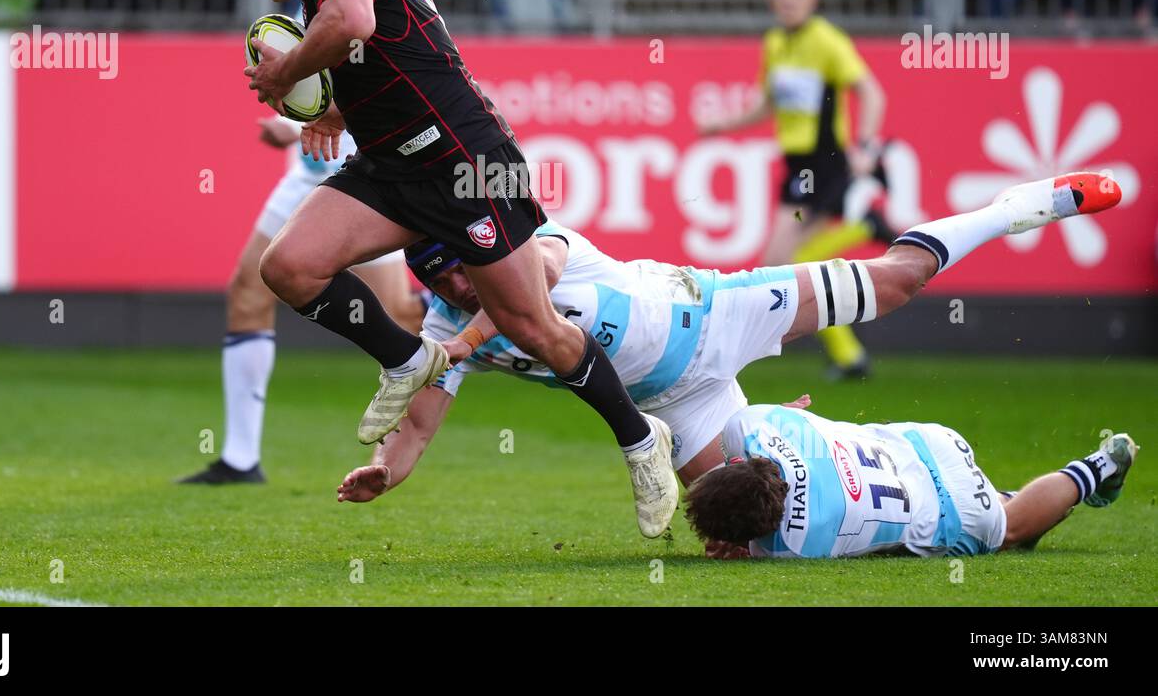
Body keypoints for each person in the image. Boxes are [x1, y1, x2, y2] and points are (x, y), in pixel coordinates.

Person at [228, 0, 679, 537]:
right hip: (394, 167)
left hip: (469, 165)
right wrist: (327, 107)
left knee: (533, 328)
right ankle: (409, 360)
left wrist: (286, 73)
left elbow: (355, 20)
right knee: (287, 266)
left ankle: (643, 443)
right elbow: (386, 54)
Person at [334, 172, 1123, 513]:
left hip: (716, 312)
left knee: (895, 283)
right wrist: (386, 471)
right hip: (680, 401)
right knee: (749, 514)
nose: (462, 290)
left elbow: (525, 295)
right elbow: (421, 422)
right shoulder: (445, 323)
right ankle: (1009, 496)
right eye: (444, 286)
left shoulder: (532, 246)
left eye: (465, 273)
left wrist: (462, 339)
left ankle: (1023, 205)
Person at [180, 0, 422, 485]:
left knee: (401, 313)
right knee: (249, 289)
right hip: (307, 178)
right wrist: (293, 120)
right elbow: (313, 97)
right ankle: (240, 456)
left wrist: (300, 112)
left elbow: (367, 82)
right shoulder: (293, 6)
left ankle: (435, 395)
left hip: (367, 172)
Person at [697, 0, 892, 380]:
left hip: (825, 161)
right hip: (795, 163)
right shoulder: (775, 43)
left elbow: (872, 93)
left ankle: (865, 228)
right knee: (801, 266)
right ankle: (850, 357)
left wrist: (865, 147)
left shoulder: (826, 40)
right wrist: (723, 125)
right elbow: (769, 104)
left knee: (780, 263)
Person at [685, 406, 1137, 560]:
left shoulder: (789, 546)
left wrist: (742, 544)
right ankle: (1025, 494)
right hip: (925, 440)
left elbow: (760, 541)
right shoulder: (751, 422)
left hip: (947, 509)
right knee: (994, 502)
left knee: (1011, 530)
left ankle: (1099, 467)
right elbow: (777, 425)